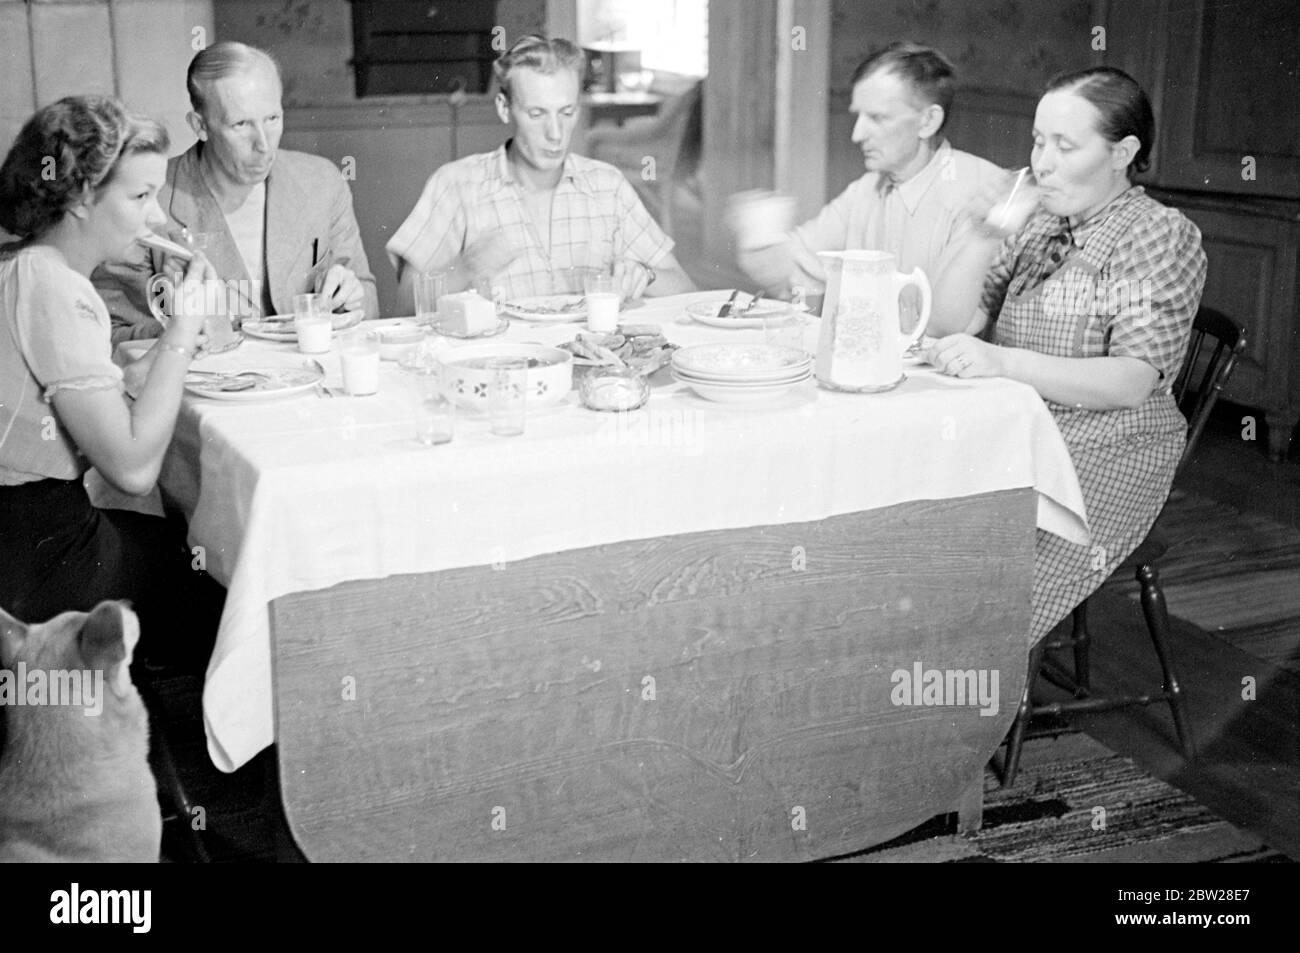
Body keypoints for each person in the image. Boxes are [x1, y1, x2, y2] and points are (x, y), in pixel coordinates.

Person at [925, 67, 1207, 645]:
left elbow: (1130, 381)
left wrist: (1004, 363)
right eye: (1037, 140)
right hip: (1022, 429)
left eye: (1065, 145)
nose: (1042, 162)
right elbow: (952, 322)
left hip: (1109, 448)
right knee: (909, 527)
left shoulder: (1156, 235)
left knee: (974, 590)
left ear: (1122, 153)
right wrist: (981, 237)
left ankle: (950, 702)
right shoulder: (1038, 224)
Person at [0, 95, 223, 665]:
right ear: (79, 197)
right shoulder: (57, 286)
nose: (156, 217)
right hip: (34, 555)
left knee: (183, 549)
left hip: (25, 534)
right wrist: (181, 331)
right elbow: (131, 470)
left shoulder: (25, 265)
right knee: (222, 576)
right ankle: (158, 746)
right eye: (141, 196)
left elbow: (57, 407)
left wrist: (143, 370)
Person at [94, 42, 378, 345]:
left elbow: (368, 303)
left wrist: (348, 297)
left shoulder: (321, 182)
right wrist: (182, 329)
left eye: (272, 119)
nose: (264, 145)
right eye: (241, 124)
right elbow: (110, 334)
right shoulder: (149, 200)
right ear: (200, 126)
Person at [387, 34, 696, 307]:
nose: (555, 133)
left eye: (567, 112)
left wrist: (645, 275)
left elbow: (687, 290)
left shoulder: (606, 186)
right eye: (537, 114)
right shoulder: (456, 184)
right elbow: (403, 305)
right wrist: (465, 268)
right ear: (504, 108)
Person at [732, 42, 1003, 335]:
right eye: (858, 116)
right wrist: (760, 236)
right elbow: (797, 269)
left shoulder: (985, 192)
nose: (857, 134)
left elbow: (950, 327)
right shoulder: (864, 191)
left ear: (928, 121)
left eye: (877, 118)